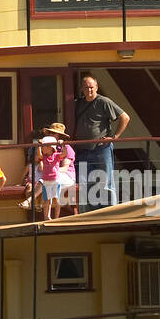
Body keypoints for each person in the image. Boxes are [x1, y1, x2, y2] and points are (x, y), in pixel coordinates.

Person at [73, 73, 129, 211]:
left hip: (101, 149)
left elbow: (125, 117)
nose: (89, 90)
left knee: (106, 183)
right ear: (82, 89)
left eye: (91, 87)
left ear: (96, 87)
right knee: (86, 184)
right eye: (86, 88)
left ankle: (112, 214)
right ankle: (89, 215)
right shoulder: (77, 103)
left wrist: (115, 136)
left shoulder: (104, 101)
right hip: (82, 150)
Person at [37, 135, 67, 220]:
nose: (43, 149)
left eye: (44, 147)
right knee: (47, 200)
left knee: (57, 199)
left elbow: (64, 154)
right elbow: (39, 155)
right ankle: (46, 217)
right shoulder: (44, 157)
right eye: (42, 147)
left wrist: (62, 145)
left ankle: (57, 217)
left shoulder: (56, 155)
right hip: (46, 181)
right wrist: (39, 145)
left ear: (50, 148)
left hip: (55, 181)